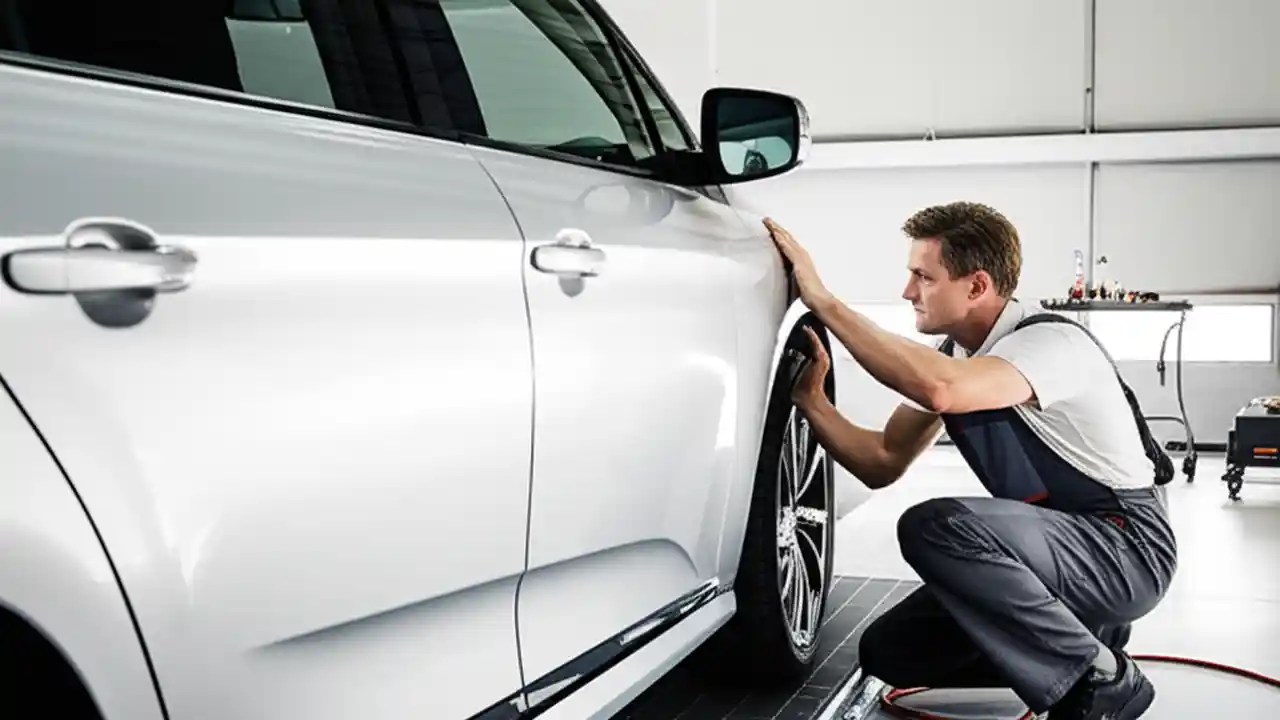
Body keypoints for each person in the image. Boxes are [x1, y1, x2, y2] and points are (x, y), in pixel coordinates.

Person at [764, 202, 1177, 720]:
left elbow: (940, 389)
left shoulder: (1049, 343)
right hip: (1056, 555)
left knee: (937, 525)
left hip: (1124, 550)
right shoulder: (958, 355)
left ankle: (1101, 678)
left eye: (922, 276)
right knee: (889, 651)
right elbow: (881, 459)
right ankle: (1077, 636)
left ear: (977, 286)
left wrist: (823, 302)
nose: (907, 291)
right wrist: (812, 403)